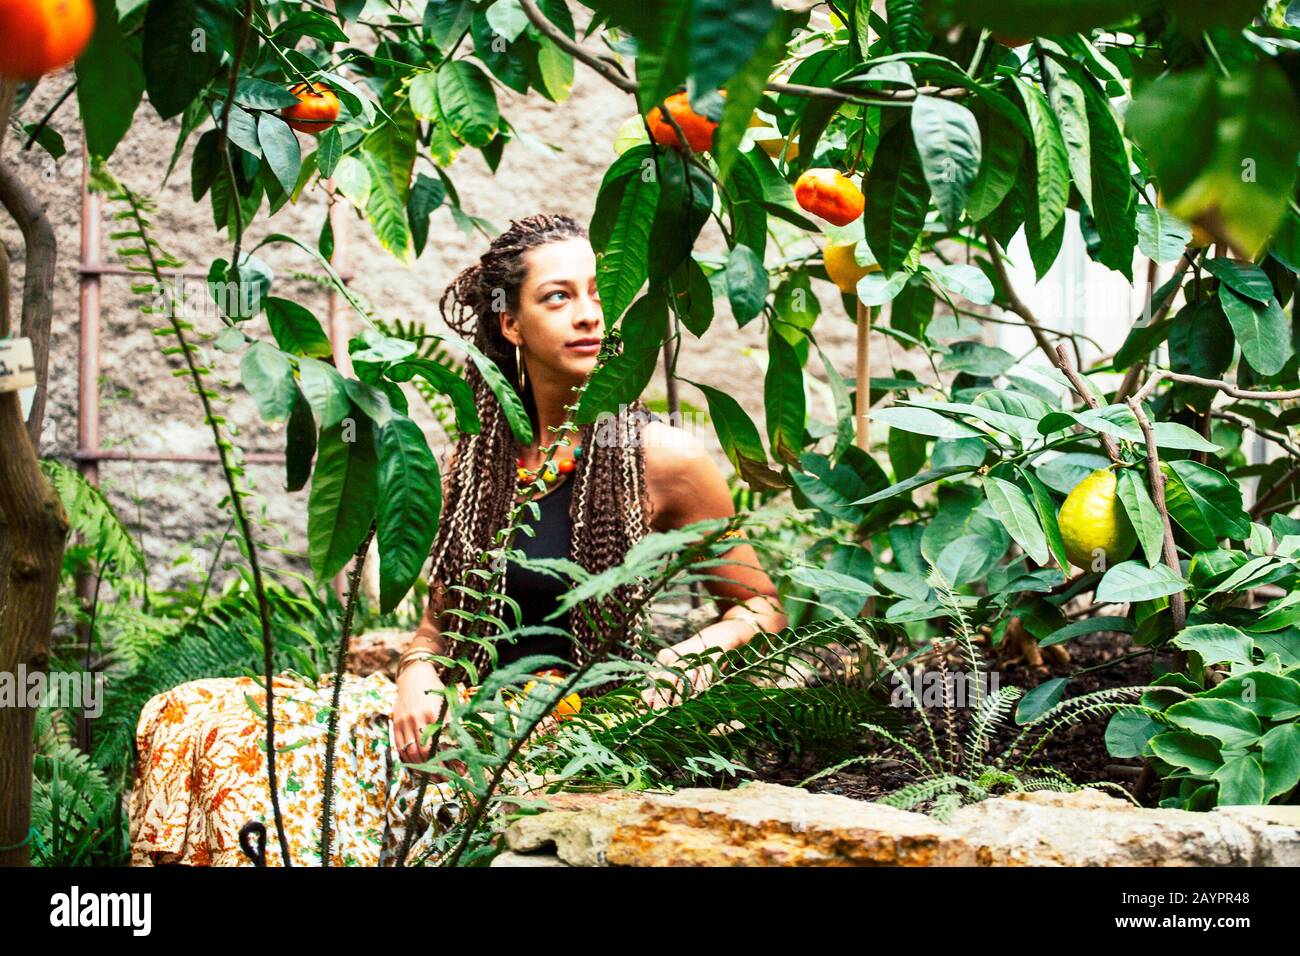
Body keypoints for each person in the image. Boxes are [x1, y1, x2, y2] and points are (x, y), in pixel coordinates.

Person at [127, 214, 786, 867]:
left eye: (600, 295)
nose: (590, 315)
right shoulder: (477, 464)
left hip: (569, 732)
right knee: (193, 714)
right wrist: (416, 675)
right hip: (461, 719)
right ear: (511, 323)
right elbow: (437, 629)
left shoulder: (662, 457)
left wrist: (686, 658)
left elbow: (760, 607)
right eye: (558, 297)